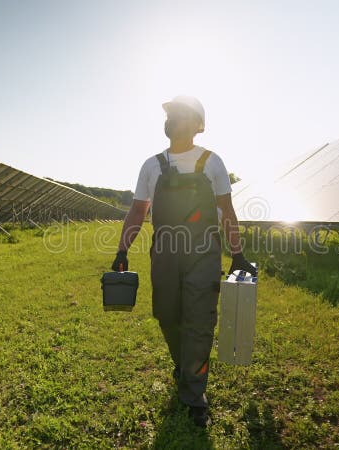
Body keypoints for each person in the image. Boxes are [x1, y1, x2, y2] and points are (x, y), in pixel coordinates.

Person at [110, 95, 257, 428]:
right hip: (164, 253)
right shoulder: (151, 165)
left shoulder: (212, 162)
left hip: (203, 253)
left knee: (200, 323)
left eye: (178, 114)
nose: (172, 119)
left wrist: (237, 253)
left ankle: (194, 395)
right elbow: (138, 211)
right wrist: (122, 250)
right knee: (167, 315)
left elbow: (227, 212)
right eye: (169, 114)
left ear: (196, 124)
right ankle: (185, 365)